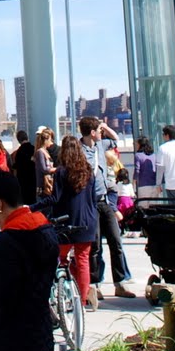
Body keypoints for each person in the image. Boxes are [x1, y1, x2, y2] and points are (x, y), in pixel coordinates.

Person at [0, 169, 58, 351]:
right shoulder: (46, 230)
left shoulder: (8, 242)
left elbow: (0, 300)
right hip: (39, 338)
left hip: (7, 344)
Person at [35, 136, 99, 310]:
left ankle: (65, 289)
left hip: (66, 222)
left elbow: (55, 199)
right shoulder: (88, 170)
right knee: (83, 260)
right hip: (88, 221)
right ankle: (82, 300)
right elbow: (93, 199)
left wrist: (33, 207)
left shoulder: (62, 172)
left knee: (61, 258)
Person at [79, 116, 133, 299]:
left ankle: (120, 282)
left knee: (115, 241)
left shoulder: (101, 146)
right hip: (89, 202)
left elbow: (116, 139)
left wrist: (105, 126)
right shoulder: (79, 150)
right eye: (99, 131)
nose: (102, 133)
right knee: (95, 246)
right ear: (92, 133)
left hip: (104, 201)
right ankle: (96, 284)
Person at [11, 130, 37, 204]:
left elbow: (16, 167)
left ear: (18, 140)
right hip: (33, 179)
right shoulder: (34, 149)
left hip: (23, 181)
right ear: (27, 137)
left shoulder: (18, 152)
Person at [34, 128, 57, 196]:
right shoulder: (40, 152)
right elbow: (44, 169)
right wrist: (56, 169)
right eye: (50, 140)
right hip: (43, 186)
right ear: (45, 140)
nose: (51, 142)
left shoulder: (45, 151)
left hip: (48, 184)